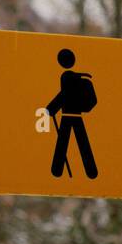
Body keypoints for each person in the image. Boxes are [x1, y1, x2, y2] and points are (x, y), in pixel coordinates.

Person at [46, 48, 98, 179]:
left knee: (64, 142)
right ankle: (91, 172)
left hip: (67, 116)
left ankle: (57, 171)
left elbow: (63, 95)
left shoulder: (67, 78)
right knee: (81, 142)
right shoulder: (79, 78)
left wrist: (50, 109)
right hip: (76, 116)